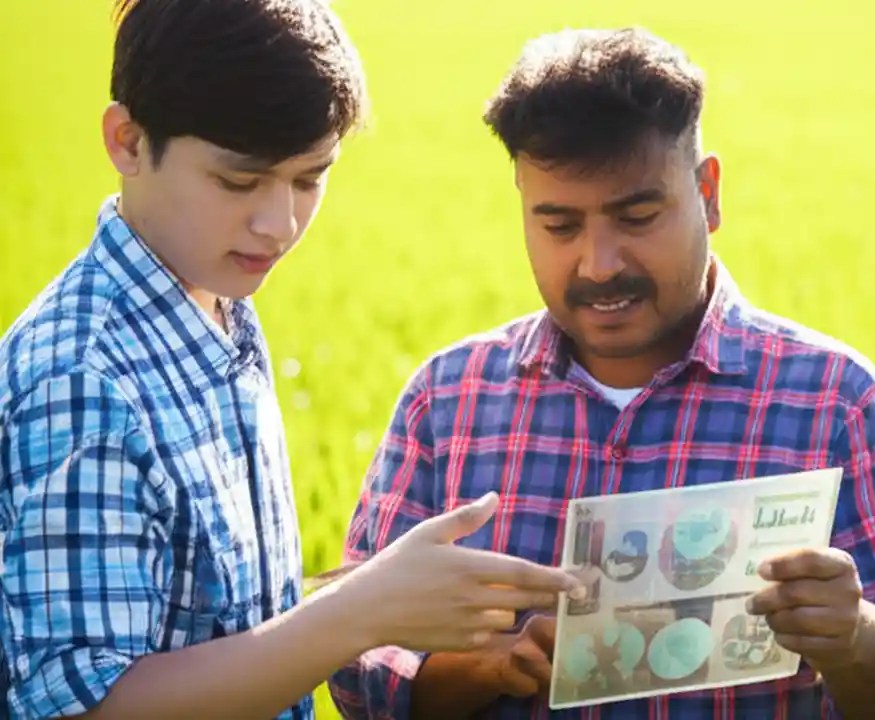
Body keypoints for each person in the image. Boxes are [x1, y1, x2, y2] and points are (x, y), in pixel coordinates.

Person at [329, 26, 875, 720]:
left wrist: (853, 636)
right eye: (559, 226)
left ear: (709, 193)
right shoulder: (449, 401)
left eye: (637, 216)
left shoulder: (834, 403)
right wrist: (483, 667)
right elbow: (356, 670)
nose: (599, 263)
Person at [0, 3, 582, 719]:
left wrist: (375, 597)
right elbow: (87, 705)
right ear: (127, 140)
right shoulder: (83, 380)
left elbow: (224, 620)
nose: (278, 224)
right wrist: (357, 614)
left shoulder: (214, 301)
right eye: (239, 183)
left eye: (309, 178)